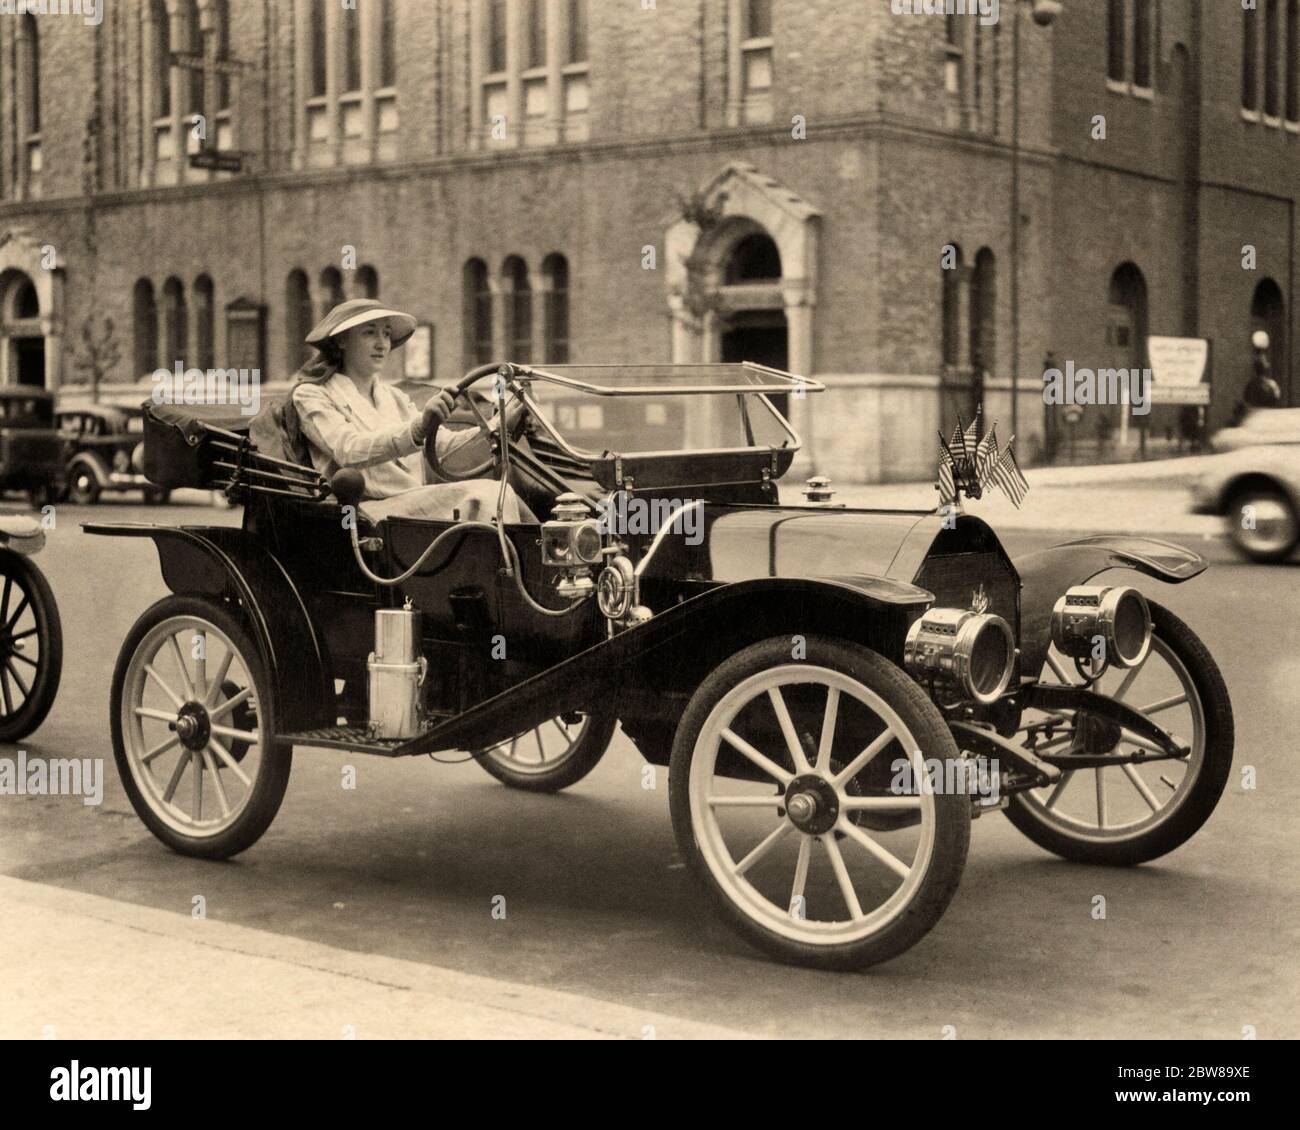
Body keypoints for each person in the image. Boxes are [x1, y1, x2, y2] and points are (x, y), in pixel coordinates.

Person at [290, 298, 524, 521]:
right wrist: (418, 428)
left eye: (386, 334)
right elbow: (348, 450)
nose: (382, 344)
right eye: (369, 332)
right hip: (362, 514)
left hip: (410, 506)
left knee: (499, 493)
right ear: (341, 341)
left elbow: (444, 445)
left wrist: (495, 427)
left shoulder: (394, 397)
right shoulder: (313, 394)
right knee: (488, 495)